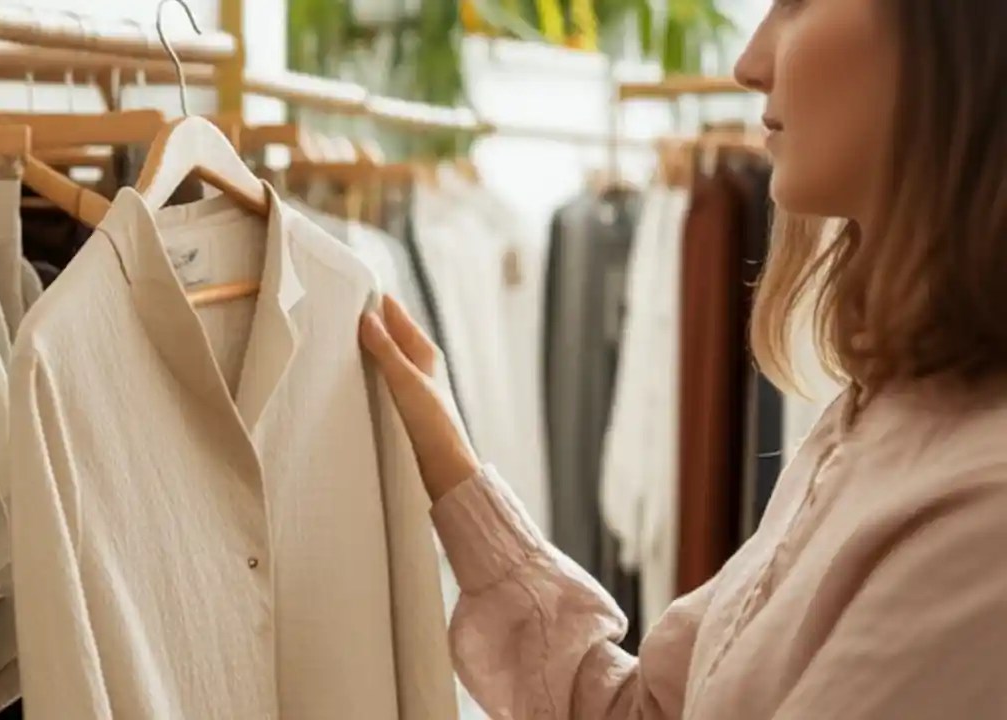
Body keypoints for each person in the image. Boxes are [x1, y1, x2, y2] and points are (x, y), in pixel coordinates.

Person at [360, 0, 1007, 717]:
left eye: (797, 3)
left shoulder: (980, 513)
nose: (749, 63)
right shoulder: (876, 422)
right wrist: (454, 469)